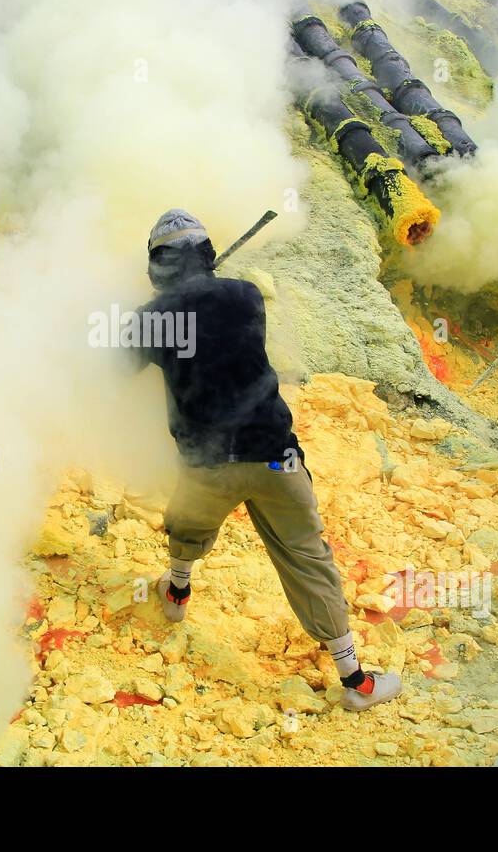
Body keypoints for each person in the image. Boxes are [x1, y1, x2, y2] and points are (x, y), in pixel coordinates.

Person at [130, 208, 401, 712]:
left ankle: (177, 595)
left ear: (158, 266)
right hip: (273, 457)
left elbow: (117, 366)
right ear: (208, 256)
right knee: (306, 556)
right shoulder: (245, 295)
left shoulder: (152, 319)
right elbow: (217, 327)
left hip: (206, 464)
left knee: (187, 523)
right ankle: (356, 681)